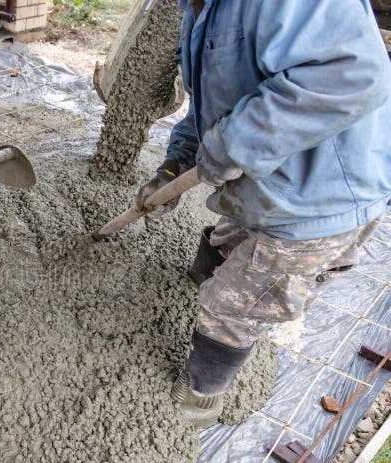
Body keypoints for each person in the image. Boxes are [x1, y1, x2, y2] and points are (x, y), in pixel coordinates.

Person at [137, 0, 391, 428]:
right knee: (225, 244)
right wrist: (173, 166)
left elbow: (352, 75)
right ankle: (197, 290)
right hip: (266, 181)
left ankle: (198, 402)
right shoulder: (196, 10)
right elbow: (206, 105)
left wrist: (233, 144)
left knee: (235, 306)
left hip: (322, 195)